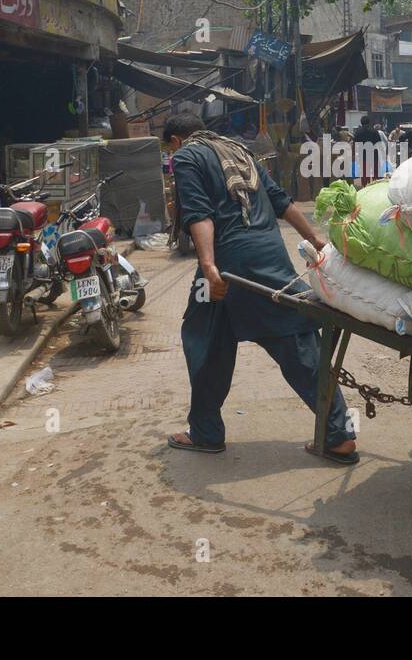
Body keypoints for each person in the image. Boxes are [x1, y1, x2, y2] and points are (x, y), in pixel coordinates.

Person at [163, 113, 358, 463]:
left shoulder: (186, 157)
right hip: (267, 256)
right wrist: (315, 239)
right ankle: (206, 431)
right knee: (214, 334)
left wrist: (208, 266)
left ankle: (339, 434)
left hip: (230, 265)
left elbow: (199, 214)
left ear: (176, 141)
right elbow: (282, 202)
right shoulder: (239, 151)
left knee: (286, 343)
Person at [352, 115, 384, 187]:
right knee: (376, 173)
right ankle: (376, 187)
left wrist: (353, 154)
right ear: (369, 122)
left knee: (365, 173)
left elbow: (354, 144)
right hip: (374, 156)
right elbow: (379, 144)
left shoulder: (358, 132)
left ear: (361, 123)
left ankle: (365, 187)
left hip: (363, 156)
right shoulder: (374, 131)